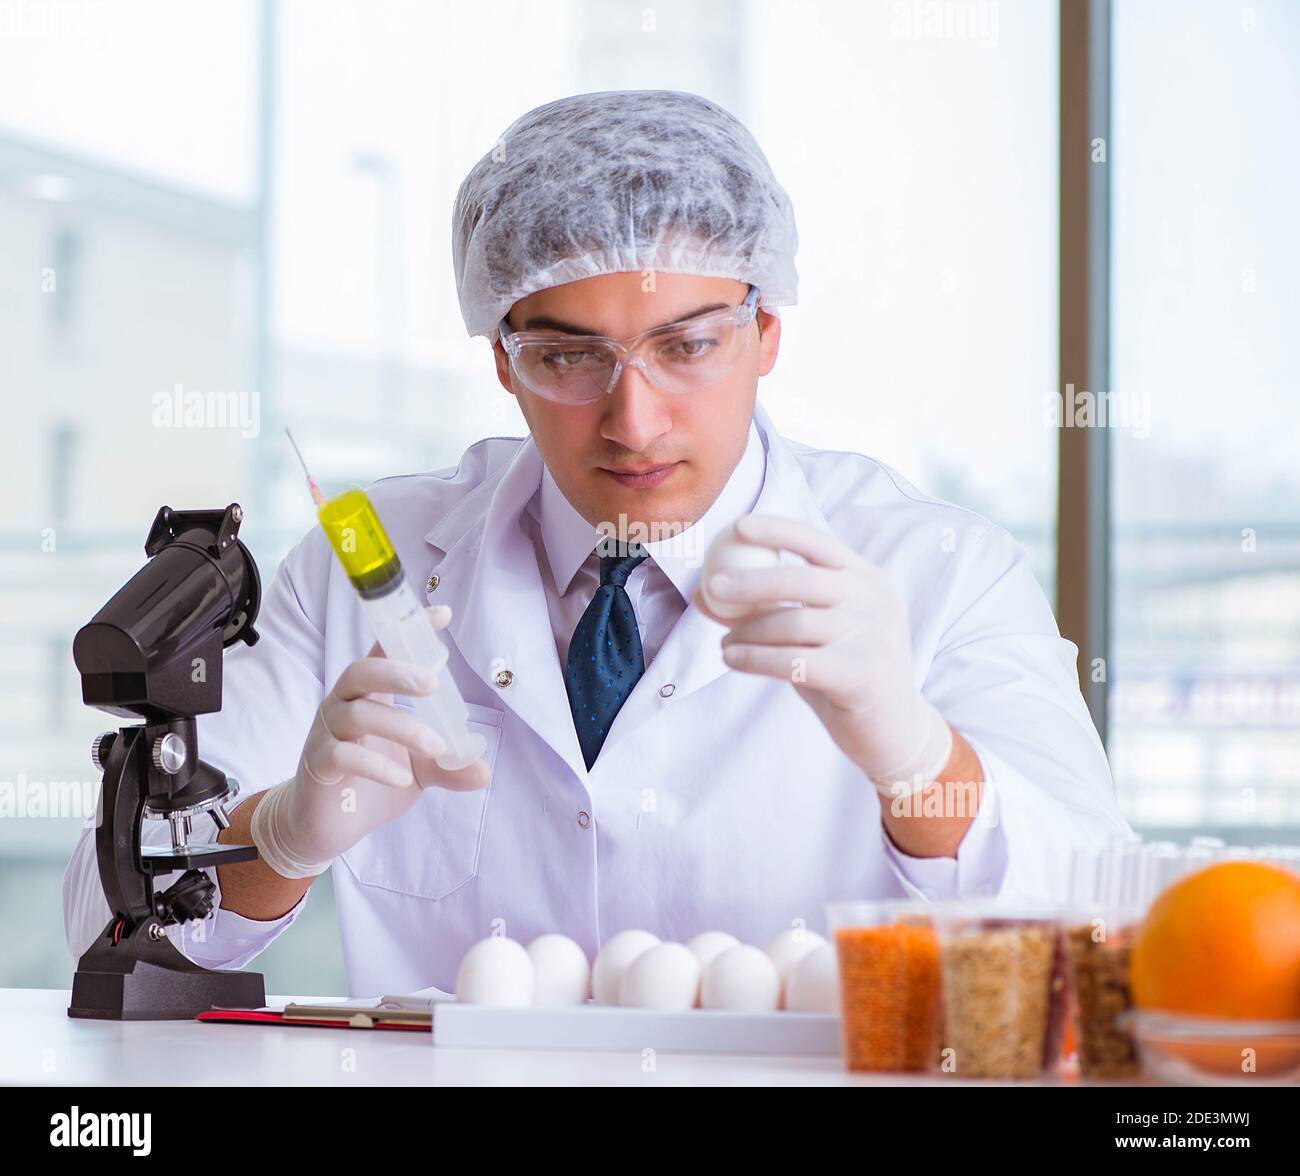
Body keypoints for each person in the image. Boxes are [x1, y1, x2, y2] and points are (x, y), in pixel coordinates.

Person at [64, 90, 1130, 997]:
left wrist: (920, 766)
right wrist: (280, 837)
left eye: (688, 345)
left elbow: (1104, 943)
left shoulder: (939, 572)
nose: (634, 418)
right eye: (568, 356)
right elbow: (102, 938)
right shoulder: (359, 565)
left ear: (766, 334)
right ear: (501, 359)